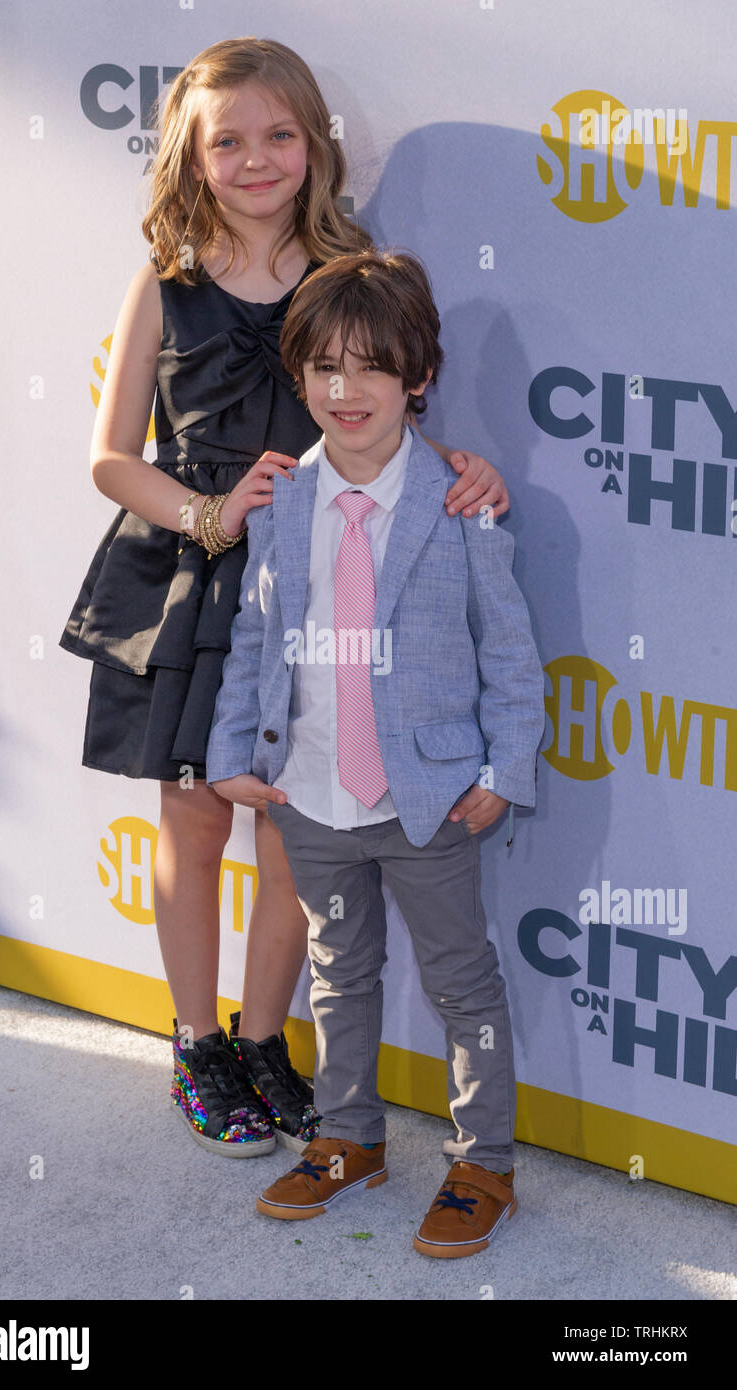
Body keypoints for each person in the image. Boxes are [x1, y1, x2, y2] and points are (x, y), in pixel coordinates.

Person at [59, 37, 511, 1160]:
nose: (256, 160)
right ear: (190, 157)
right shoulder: (162, 283)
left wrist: (461, 468)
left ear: (313, 145)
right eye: (228, 141)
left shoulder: (349, 274)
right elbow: (110, 458)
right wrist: (210, 518)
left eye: (278, 135)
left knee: (291, 829)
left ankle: (267, 1042)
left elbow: (383, 418)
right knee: (197, 814)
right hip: (190, 571)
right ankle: (195, 1043)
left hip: (318, 575)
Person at [207, 247, 545, 1256]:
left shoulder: (458, 498)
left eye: (370, 368)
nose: (344, 391)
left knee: (460, 981)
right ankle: (348, 1136)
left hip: (427, 795)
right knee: (336, 973)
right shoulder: (282, 501)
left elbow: (510, 648)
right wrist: (235, 748)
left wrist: (502, 770)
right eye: (322, 368)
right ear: (298, 373)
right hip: (308, 793)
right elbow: (258, 638)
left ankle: (483, 1159)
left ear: (418, 378)